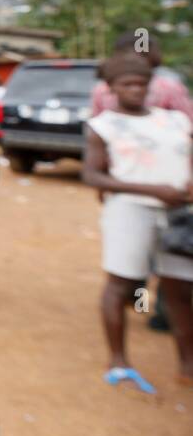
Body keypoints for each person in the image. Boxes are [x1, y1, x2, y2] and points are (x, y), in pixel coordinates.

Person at [82, 55, 193, 392]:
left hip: (178, 214)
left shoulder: (174, 120)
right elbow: (93, 175)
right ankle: (118, 359)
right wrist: (152, 189)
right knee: (120, 285)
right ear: (111, 88)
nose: (135, 90)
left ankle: (187, 362)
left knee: (180, 290)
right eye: (126, 84)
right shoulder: (103, 126)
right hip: (130, 210)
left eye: (141, 84)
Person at [91, 32, 193, 121]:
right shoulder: (169, 87)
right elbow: (189, 122)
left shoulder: (102, 88)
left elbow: (95, 126)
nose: (136, 90)